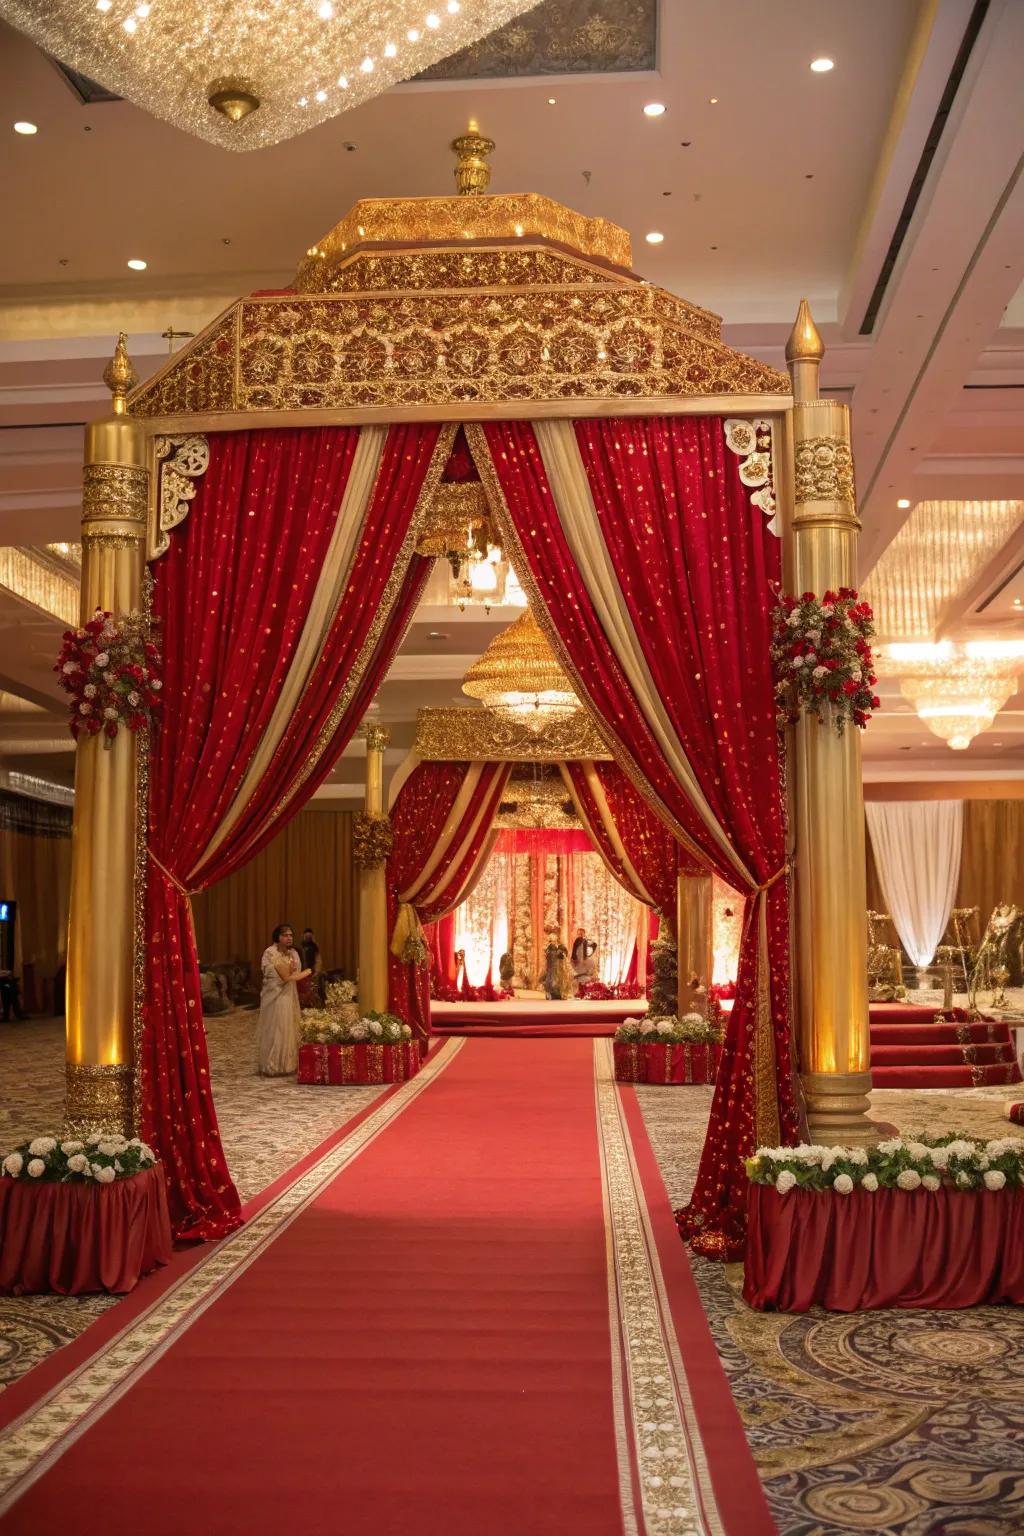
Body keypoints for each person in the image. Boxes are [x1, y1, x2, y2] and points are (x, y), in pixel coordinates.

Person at [256, 924, 310, 1076]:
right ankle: (273, 1064)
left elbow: (296, 972)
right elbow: (268, 972)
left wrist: (292, 971)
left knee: (289, 1025)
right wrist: (285, 972)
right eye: (285, 935)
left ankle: (288, 1064)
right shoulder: (270, 952)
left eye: (291, 935)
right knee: (276, 1026)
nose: (289, 938)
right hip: (274, 993)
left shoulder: (294, 953)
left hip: (289, 993)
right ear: (277, 937)